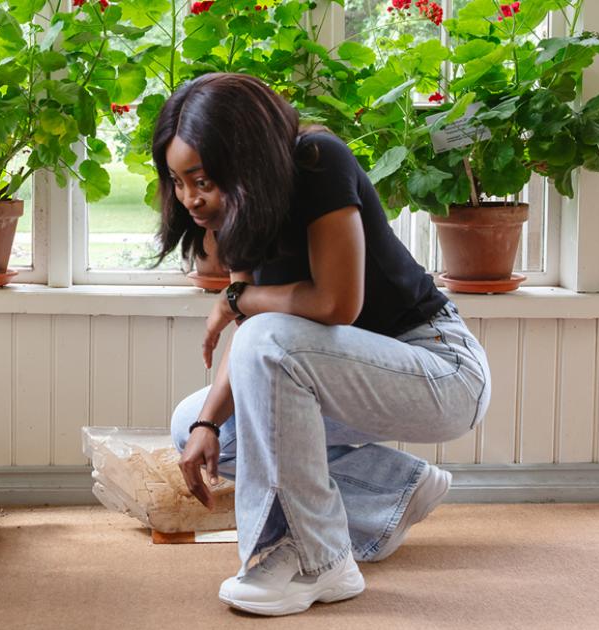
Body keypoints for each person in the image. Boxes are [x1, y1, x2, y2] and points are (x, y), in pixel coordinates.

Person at [157, 73, 492, 617]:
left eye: (200, 179)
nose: (189, 198)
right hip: (343, 375)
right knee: (190, 423)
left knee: (269, 342)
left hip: (440, 367)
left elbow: (337, 305)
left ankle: (319, 559)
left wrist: (241, 300)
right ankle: (395, 489)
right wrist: (205, 426)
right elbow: (256, 345)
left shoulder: (317, 160)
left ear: (243, 155)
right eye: (177, 181)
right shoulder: (238, 211)